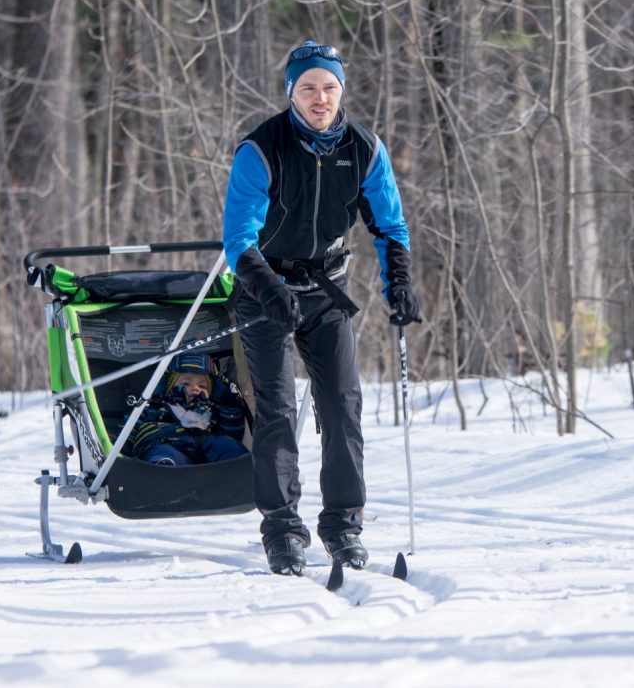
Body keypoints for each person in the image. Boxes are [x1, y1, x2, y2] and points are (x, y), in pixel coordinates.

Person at [222, 40, 422, 575]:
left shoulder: (364, 149)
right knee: (277, 408)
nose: (320, 97)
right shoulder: (261, 149)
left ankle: (343, 525)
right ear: (291, 92)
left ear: (341, 90)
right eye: (308, 87)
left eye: (329, 87)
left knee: (342, 404)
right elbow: (238, 239)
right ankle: (282, 529)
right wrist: (269, 289)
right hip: (264, 288)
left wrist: (399, 284)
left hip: (326, 289)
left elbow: (390, 226)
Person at [125, 352, 249, 466]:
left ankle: (241, 466)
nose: (195, 388)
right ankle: (164, 469)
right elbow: (127, 433)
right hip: (166, 446)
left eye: (202, 386)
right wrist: (120, 455)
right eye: (185, 384)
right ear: (169, 388)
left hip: (207, 458)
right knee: (164, 452)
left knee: (228, 444)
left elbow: (233, 433)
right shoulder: (152, 408)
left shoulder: (213, 410)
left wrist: (230, 405)